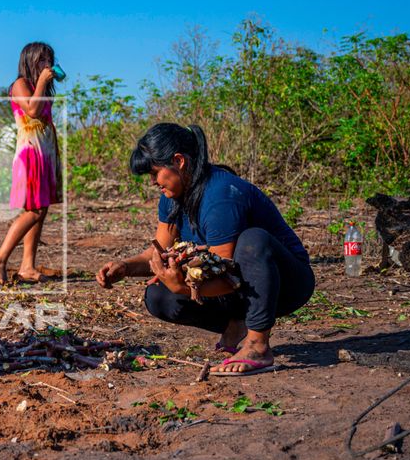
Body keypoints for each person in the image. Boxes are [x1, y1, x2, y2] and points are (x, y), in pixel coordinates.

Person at [95, 123, 315, 375]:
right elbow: (157, 252)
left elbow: (228, 275)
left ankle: (258, 345)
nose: (153, 181)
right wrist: (125, 268)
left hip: (286, 283)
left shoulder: (221, 196)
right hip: (238, 285)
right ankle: (237, 322)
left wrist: (182, 286)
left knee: (252, 240)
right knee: (158, 296)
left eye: (155, 173)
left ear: (178, 161)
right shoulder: (171, 197)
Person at [0, 42, 63, 285]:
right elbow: (32, 110)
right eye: (42, 60)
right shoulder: (20, 84)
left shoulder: (43, 89)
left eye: (49, 60)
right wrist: (41, 82)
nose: (47, 65)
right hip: (30, 154)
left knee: (41, 209)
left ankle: (27, 266)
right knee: (34, 210)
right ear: (29, 61)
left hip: (45, 154)